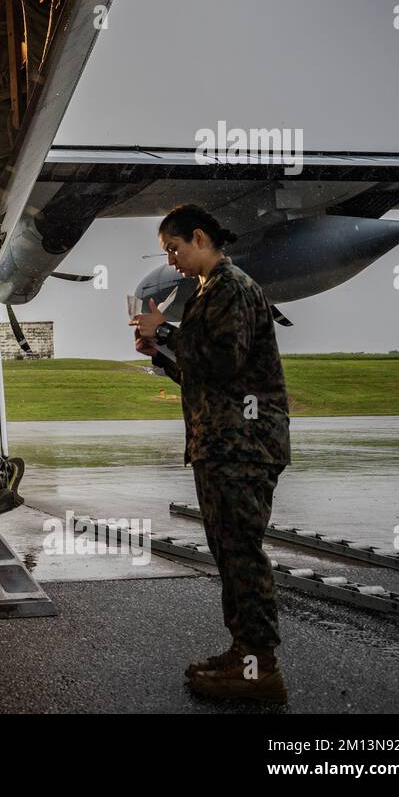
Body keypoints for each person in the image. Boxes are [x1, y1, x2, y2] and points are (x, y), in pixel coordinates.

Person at [131, 203, 291, 704]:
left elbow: (225, 361)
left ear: (199, 238)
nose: (171, 261)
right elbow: (204, 372)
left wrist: (166, 333)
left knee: (242, 553)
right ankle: (243, 650)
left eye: (173, 249)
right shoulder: (211, 290)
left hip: (243, 445)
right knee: (228, 552)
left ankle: (260, 668)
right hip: (221, 443)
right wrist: (161, 353)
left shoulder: (231, 287)